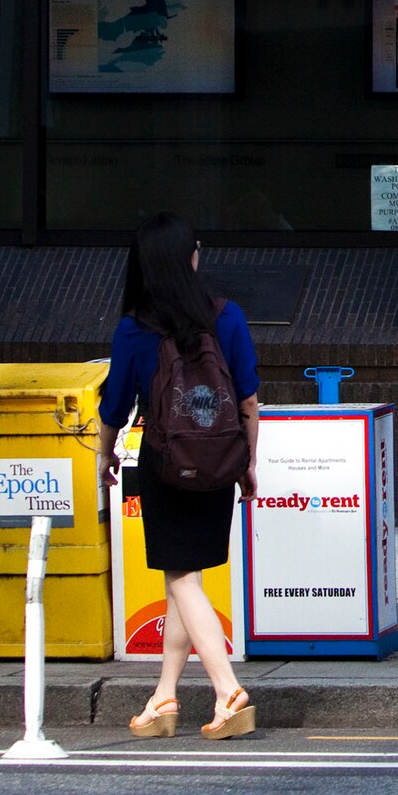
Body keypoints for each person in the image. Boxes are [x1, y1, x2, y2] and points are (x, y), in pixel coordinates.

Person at [94, 214, 262, 740]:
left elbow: (114, 406)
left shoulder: (135, 327)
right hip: (218, 463)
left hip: (165, 465)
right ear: (190, 257)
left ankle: (227, 691)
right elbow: (249, 400)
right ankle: (164, 697)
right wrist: (247, 463)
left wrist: (104, 456)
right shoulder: (227, 317)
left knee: (182, 576)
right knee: (182, 580)